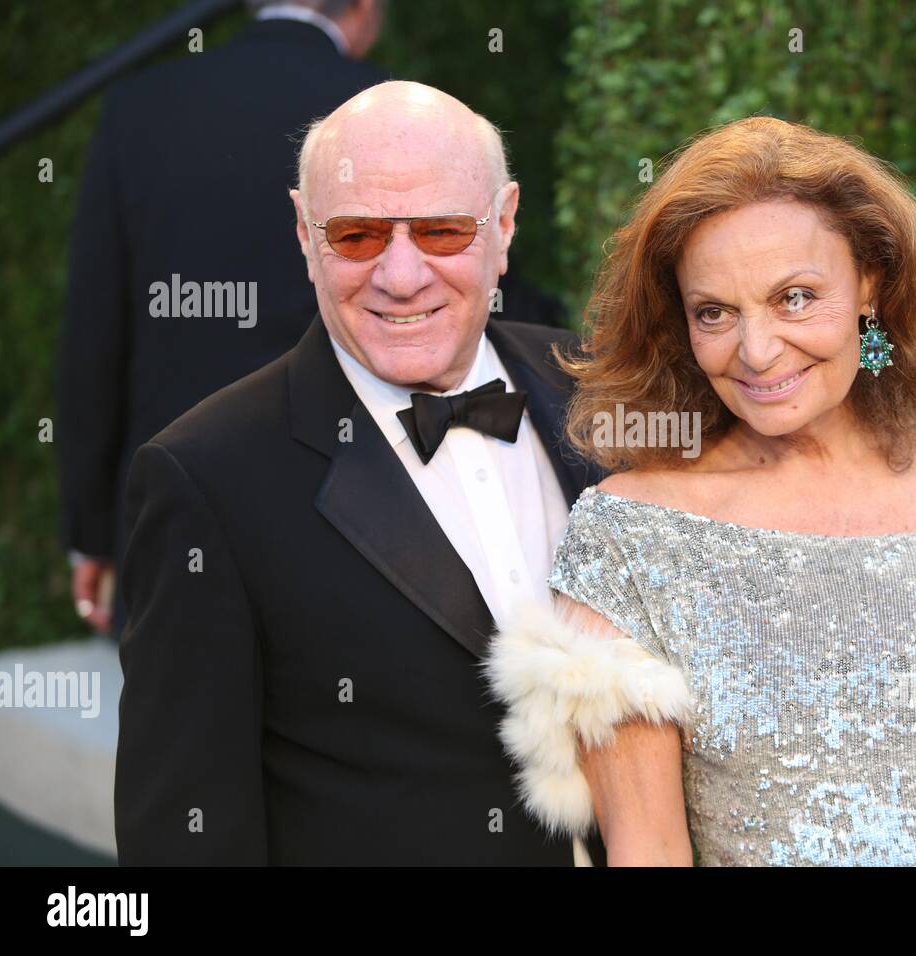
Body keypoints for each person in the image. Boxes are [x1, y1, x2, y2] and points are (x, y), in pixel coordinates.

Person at [483, 116, 916, 866]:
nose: (757, 350)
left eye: (796, 298)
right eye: (714, 312)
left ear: (870, 283)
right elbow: (647, 848)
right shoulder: (633, 535)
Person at [115, 80, 602, 865]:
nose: (401, 276)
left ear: (504, 225)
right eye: (357, 235)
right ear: (304, 234)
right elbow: (186, 829)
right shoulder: (205, 476)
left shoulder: (605, 392)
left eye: (443, 231)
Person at [58, 0, 388, 639]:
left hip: (174, 507)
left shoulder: (140, 106)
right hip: (360, 518)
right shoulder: (392, 113)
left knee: (178, 729)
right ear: (365, 7)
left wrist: (92, 532)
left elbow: (93, 340)